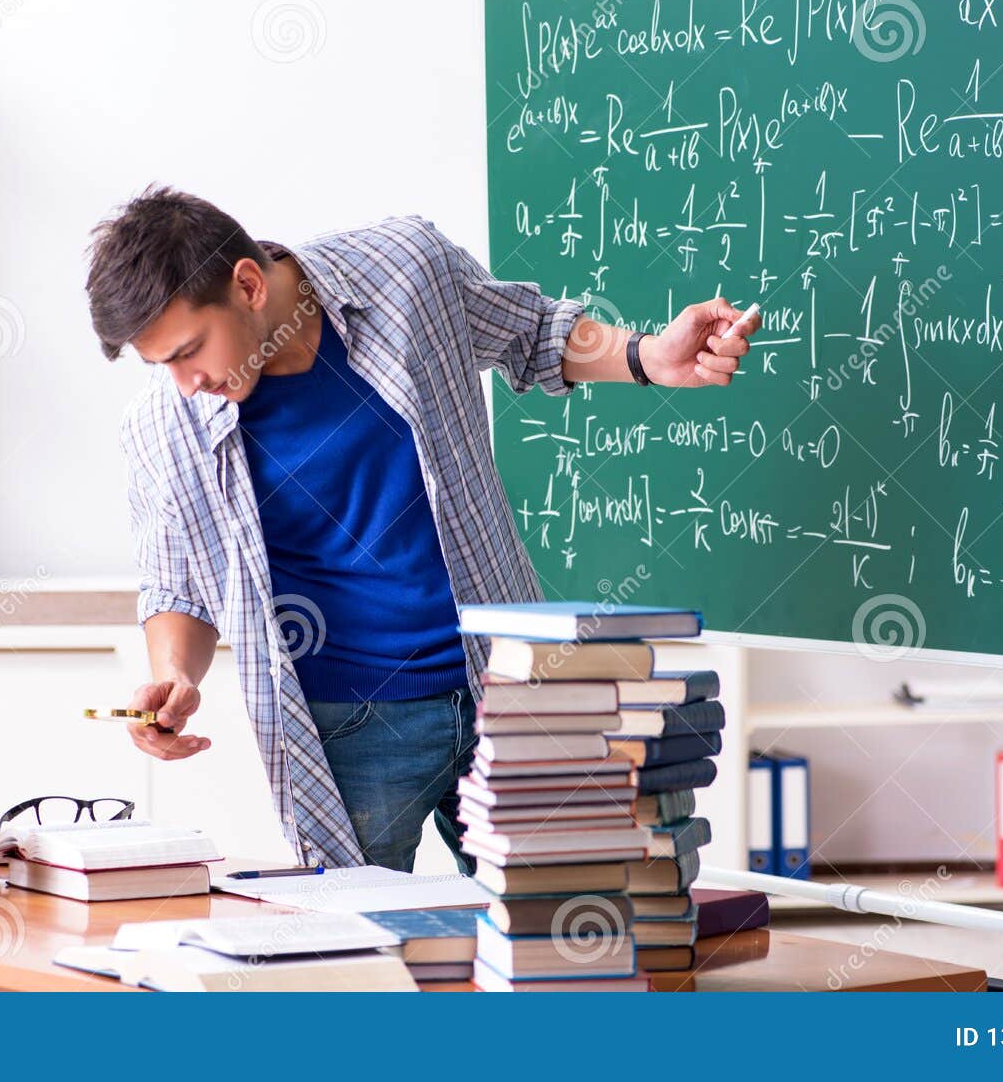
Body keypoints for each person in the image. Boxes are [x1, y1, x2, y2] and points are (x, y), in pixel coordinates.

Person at [85, 187, 760, 872]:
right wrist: (174, 677)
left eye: (189, 350)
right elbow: (177, 586)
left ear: (249, 285)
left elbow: (534, 334)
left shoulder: (406, 272)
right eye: (161, 364)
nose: (185, 383)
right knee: (360, 959)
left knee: (566, 922)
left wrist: (650, 356)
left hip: (509, 682)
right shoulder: (163, 429)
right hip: (349, 728)